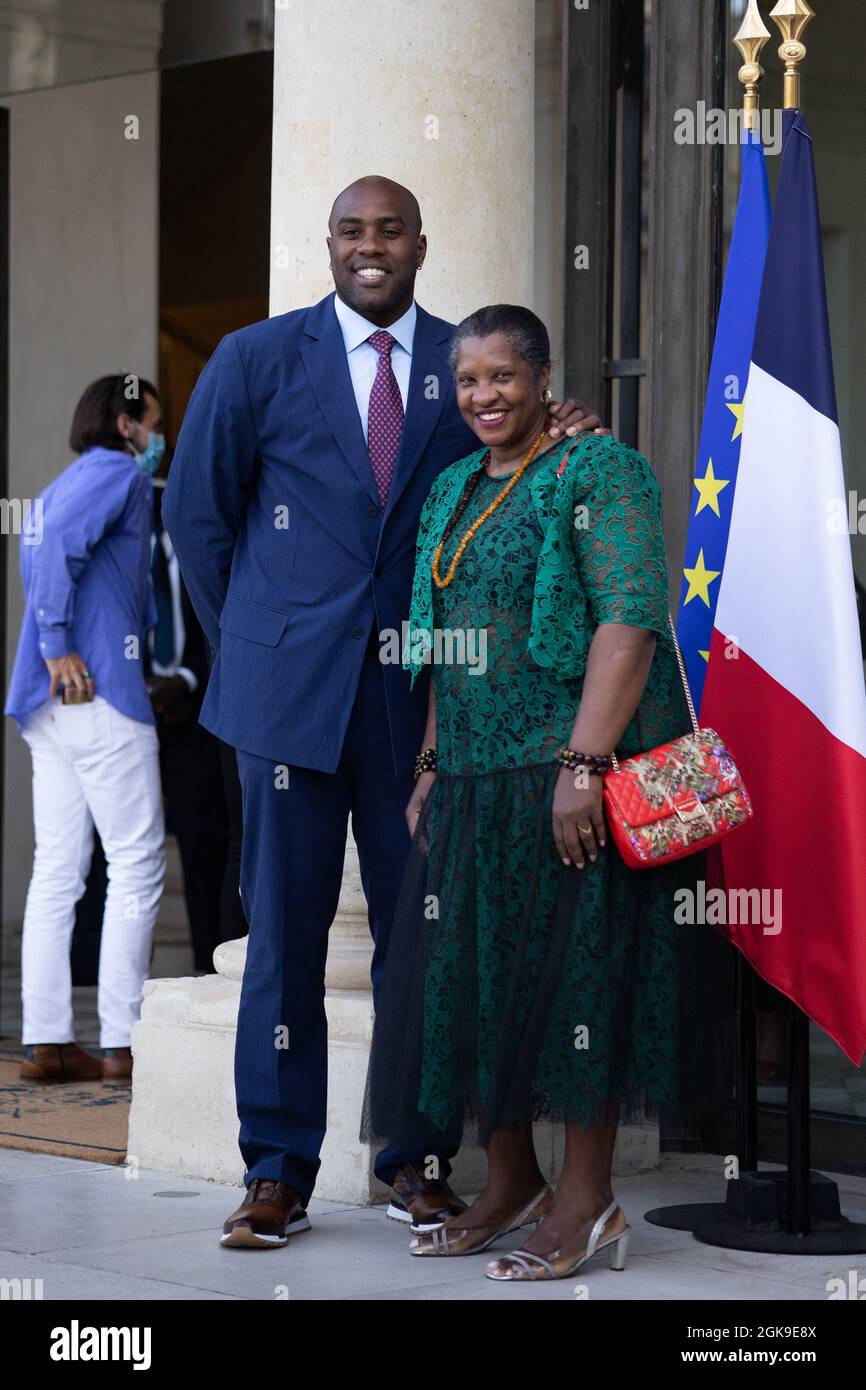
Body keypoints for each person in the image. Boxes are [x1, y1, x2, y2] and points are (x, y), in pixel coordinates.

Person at [162, 175, 604, 1248]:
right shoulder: (256, 359)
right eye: (353, 230)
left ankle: (418, 1160)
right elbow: (195, 513)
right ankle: (275, 1168)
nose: (371, 246)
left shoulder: (469, 362)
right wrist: (260, 647)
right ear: (328, 244)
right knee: (280, 940)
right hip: (286, 704)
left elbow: (514, 473)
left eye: (390, 230)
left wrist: (564, 433)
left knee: (429, 943)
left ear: (419, 243)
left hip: (425, 706)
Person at [362, 304, 706, 1283]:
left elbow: (629, 620)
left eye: (503, 376)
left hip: (562, 778)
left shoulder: (599, 470)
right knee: (475, 991)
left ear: (543, 376)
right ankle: (507, 1184)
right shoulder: (450, 488)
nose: (484, 396)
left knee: (574, 991)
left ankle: (587, 1201)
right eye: (467, 380)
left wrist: (583, 766)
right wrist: (429, 765)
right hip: (471, 780)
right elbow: (438, 642)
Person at [5, 375, 166, 1083]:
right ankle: (121, 1042)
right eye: (155, 422)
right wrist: (57, 642)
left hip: (51, 705)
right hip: (98, 691)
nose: (161, 438)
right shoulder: (119, 475)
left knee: (57, 871)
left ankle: (46, 1040)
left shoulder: (62, 481)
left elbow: (42, 550)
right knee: (134, 863)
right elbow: (61, 549)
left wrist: (50, 651)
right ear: (128, 424)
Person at [146, 457, 230, 974]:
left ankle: (208, 963)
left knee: (205, 842)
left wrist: (186, 680)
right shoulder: (125, 542)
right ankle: (90, 965)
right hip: (133, 707)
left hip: (194, 711)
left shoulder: (203, 540)